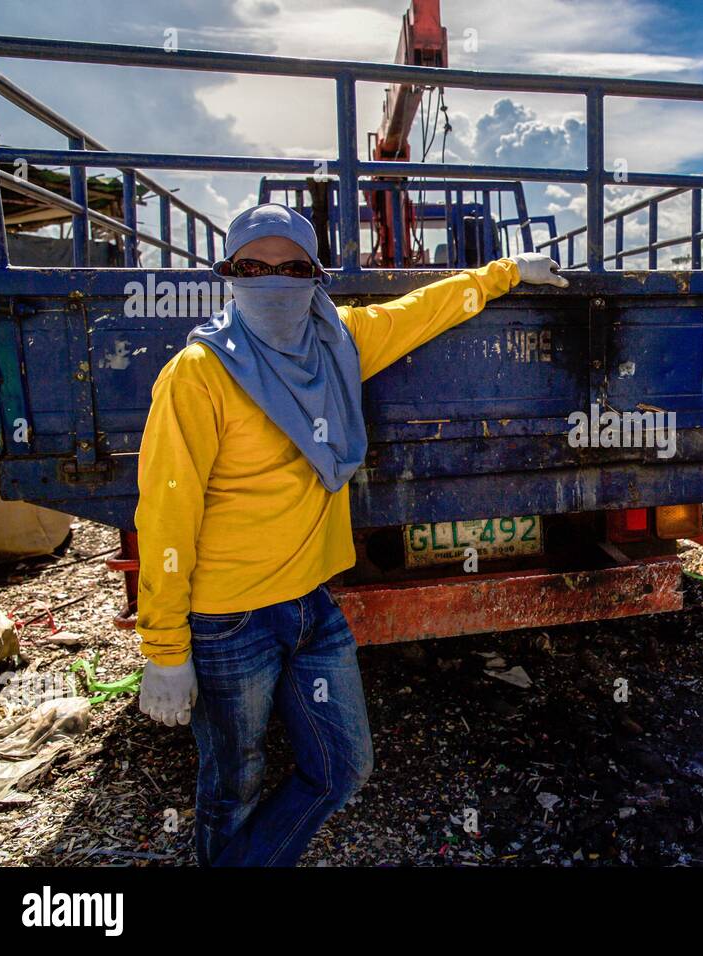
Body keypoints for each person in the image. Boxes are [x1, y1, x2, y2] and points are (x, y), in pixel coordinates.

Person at [133, 203, 568, 866]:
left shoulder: (339, 344)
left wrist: (510, 271)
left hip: (311, 604)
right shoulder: (199, 375)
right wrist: (165, 648)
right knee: (233, 789)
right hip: (226, 619)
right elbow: (166, 516)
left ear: (316, 275)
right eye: (255, 266)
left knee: (343, 769)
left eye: (292, 267)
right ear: (229, 274)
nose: (274, 280)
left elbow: (426, 308)